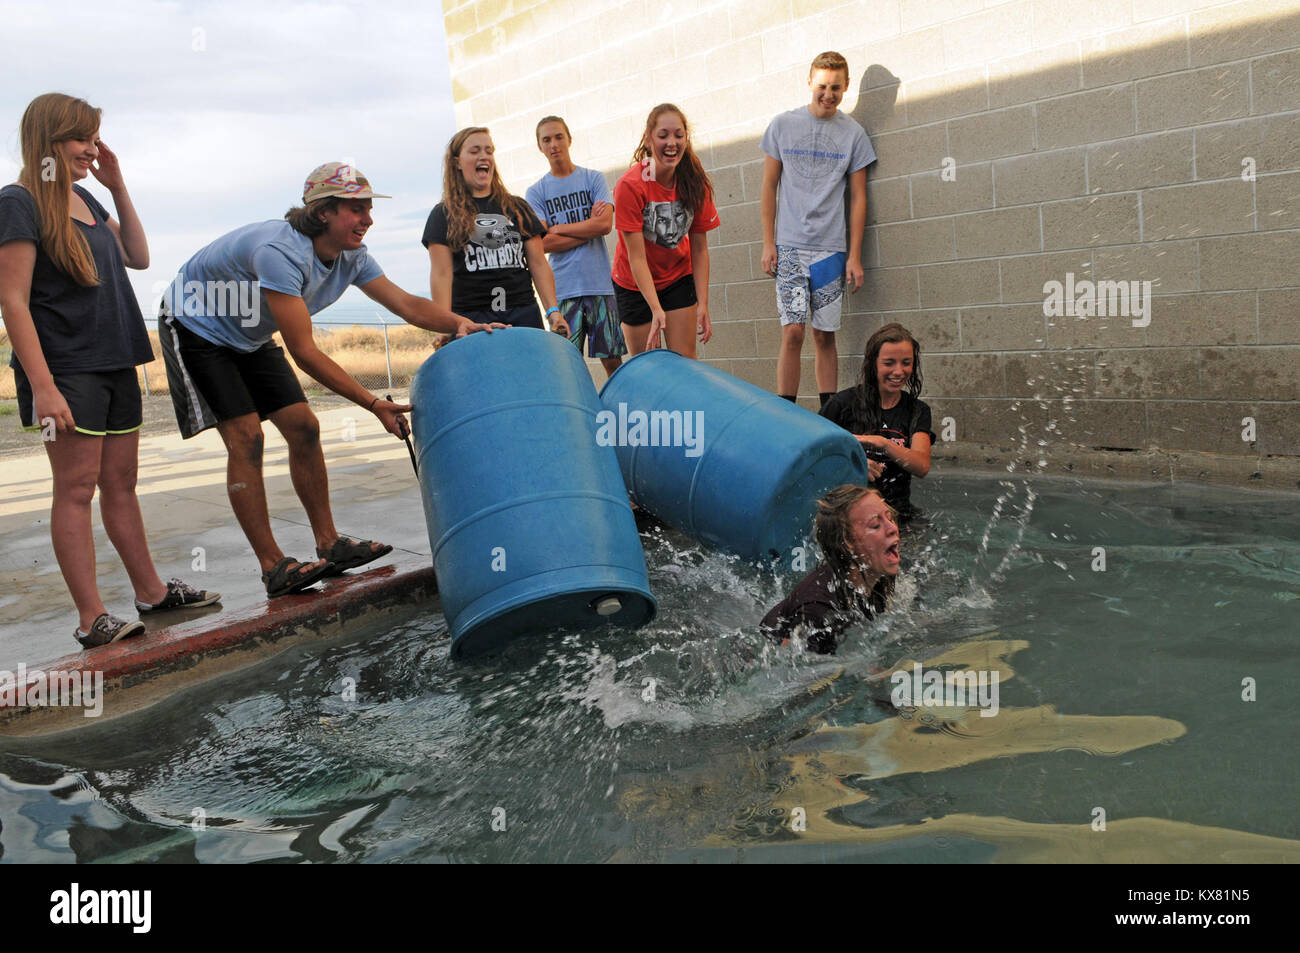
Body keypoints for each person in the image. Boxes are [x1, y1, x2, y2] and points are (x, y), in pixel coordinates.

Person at [158, 162, 496, 597]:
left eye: (368, 208)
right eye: (355, 209)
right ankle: (273, 567)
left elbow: (406, 304)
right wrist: (373, 404)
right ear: (323, 213)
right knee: (246, 437)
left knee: (304, 426)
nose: (368, 218)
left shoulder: (352, 256)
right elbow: (305, 352)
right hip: (196, 325)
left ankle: (329, 543)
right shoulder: (279, 253)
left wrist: (461, 323)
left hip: (249, 333)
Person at [0, 93, 219, 648]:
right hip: (65, 372)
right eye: (82, 139)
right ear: (49, 139)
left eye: (95, 139)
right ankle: (90, 617)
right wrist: (44, 389)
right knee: (74, 489)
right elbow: (12, 301)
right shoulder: (17, 201)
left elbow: (139, 256)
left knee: (121, 483)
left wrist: (118, 185)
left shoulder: (87, 198)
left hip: (117, 359)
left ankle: (150, 593)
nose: (92, 149)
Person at [760, 51, 875, 408]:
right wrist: (768, 243)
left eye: (836, 87)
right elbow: (768, 187)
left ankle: (828, 413)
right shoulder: (783, 125)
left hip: (831, 250)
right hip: (791, 247)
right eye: (822, 86)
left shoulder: (853, 134)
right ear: (810, 83)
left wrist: (854, 255)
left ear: (847, 87)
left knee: (824, 335)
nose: (829, 94)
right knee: (792, 331)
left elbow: (858, 198)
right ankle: (787, 411)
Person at [424, 127, 566, 336]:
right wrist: (444, 326)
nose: (484, 156)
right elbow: (441, 274)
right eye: (474, 151)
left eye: (489, 151)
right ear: (456, 163)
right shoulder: (442, 214)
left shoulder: (518, 208)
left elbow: (538, 263)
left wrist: (554, 313)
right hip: (470, 320)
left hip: (522, 314)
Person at [612, 104, 720, 358]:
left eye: (678, 135)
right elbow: (636, 258)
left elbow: (700, 248)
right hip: (634, 284)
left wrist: (702, 302)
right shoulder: (631, 185)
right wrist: (655, 309)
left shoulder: (694, 182)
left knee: (685, 363)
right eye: (663, 135)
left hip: (677, 277)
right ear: (648, 140)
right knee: (646, 367)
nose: (672, 142)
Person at [526, 116, 627, 378]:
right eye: (546, 139)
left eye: (559, 137)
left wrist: (559, 228)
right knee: (566, 366)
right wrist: (588, 226)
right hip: (563, 291)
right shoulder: (536, 192)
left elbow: (605, 226)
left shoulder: (593, 179)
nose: (554, 144)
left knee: (613, 362)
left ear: (569, 139)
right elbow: (543, 243)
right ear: (540, 147)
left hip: (599, 286)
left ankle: (620, 413)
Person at [761, 485, 899, 654]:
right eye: (876, 525)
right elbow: (802, 672)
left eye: (890, 518)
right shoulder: (818, 608)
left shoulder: (879, 572)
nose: (892, 528)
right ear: (847, 543)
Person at [820, 323, 933, 517]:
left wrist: (883, 443)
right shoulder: (841, 404)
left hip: (896, 513)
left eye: (906, 363)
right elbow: (813, 450)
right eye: (889, 363)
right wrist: (854, 461)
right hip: (847, 513)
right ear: (873, 364)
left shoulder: (918, 410)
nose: (898, 371)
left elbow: (921, 466)